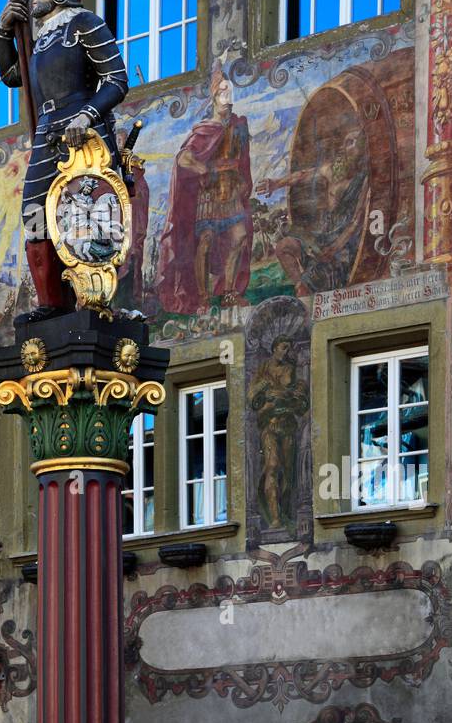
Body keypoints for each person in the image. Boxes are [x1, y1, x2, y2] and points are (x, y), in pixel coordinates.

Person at [0, 0, 128, 323]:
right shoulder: (39, 41)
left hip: (84, 137)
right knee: (34, 213)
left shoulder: (84, 24)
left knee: (86, 214)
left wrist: (87, 115)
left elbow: (116, 79)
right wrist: (3, 30)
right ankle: (50, 302)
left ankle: (93, 294)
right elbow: (11, 75)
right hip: (48, 136)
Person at [157, 69, 253, 313]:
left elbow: (243, 160)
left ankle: (230, 293)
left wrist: (242, 182)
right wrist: (205, 170)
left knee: (239, 236)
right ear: (213, 97)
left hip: (230, 189)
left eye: (231, 94)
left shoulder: (238, 126)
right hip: (209, 192)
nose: (229, 99)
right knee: (206, 241)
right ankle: (203, 297)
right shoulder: (205, 129)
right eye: (223, 93)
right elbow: (183, 158)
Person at [254, 127, 368, 295]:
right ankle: (302, 284)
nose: (345, 148)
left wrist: (334, 249)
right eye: (346, 142)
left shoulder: (363, 180)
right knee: (283, 247)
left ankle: (306, 289)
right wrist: (277, 183)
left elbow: (356, 222)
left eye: (353, 143)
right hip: (323, 238)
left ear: (363, 150)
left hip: (343, 247)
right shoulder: (331, 171)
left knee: (314, 285)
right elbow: (302, 175)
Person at [247, 335, 309, 531]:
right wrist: (264, 392)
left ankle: (283, 513)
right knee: (272, 465)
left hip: (288, 424)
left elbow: (301, 399)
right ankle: (274, 518)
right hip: (269, 425)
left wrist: (288, 396)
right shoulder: (263, 370)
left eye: (289, 348)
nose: (286, 352)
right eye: (283, 347)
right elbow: (251, 399)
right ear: (274, 348)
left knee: (288, 475)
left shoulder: (291, 370)